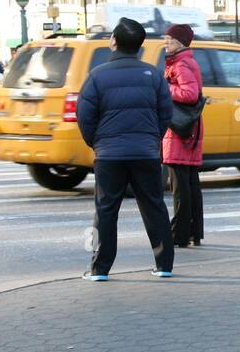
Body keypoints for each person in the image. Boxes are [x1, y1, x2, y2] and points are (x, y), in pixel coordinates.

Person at [76, 18, 175, 280]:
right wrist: (153, 137)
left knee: (105, 210)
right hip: (145, 152)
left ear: (113, 42)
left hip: (109, 154)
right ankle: (164, 265)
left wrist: (96, 142)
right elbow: (166, 113)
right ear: (140, 45)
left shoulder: (97, 76)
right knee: (154, 206)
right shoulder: (153, 74)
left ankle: (99, 269)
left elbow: (84, 115)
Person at [162, 24, 205, 249]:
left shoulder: (180, 64)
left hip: (180, 130)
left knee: (180, 185)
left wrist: (164, 88)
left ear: (179, 42)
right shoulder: (185, 61)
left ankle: (179, 234)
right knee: (189, 183)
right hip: (189, 128)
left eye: (169, 39)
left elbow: (190, 94)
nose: (165, 43)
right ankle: (193, 232)